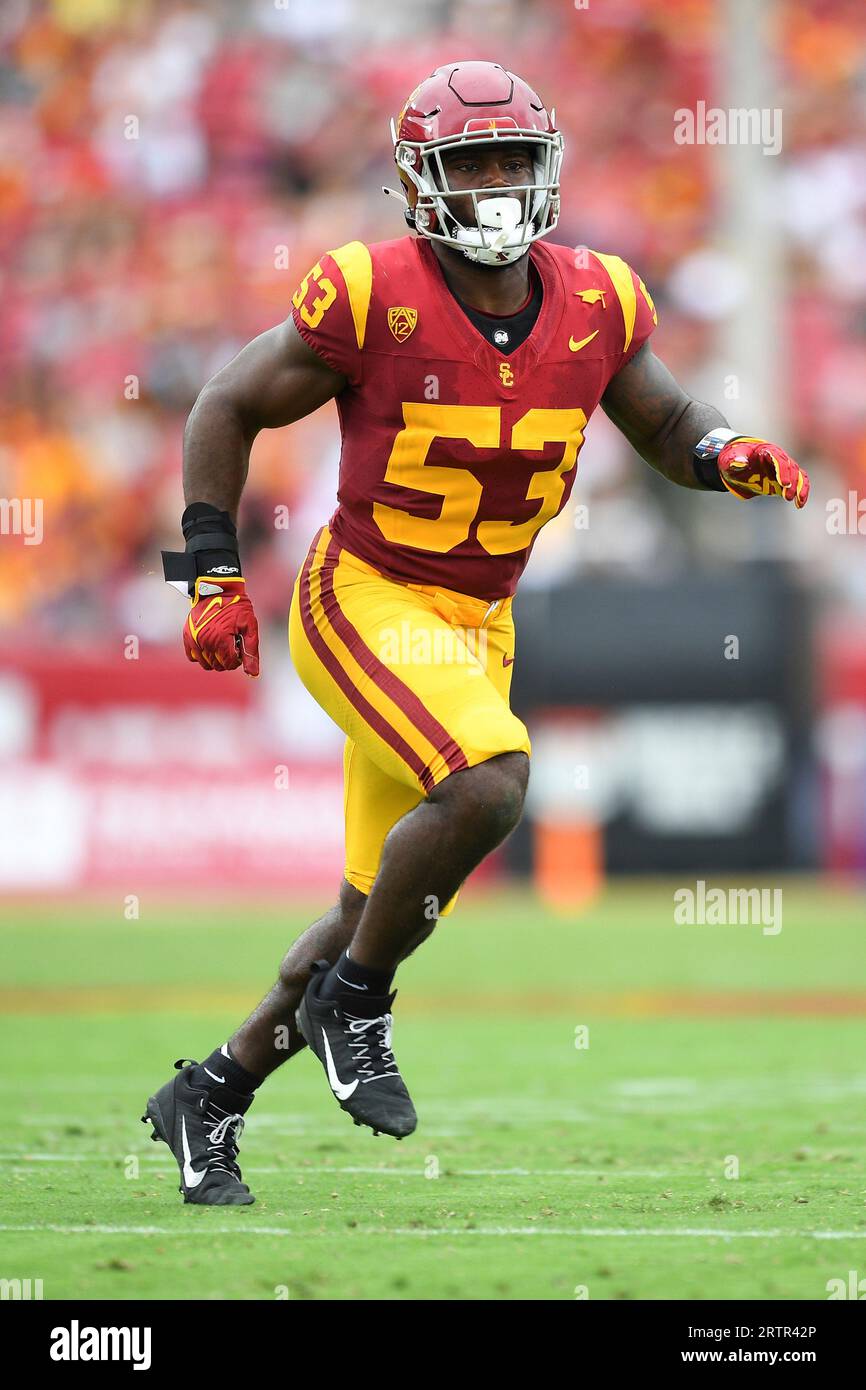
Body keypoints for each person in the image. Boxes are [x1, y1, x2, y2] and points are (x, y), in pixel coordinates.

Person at [144, 61, 809, 1205]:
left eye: (513, 160)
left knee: (374, 907)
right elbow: (226, 403)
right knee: (493, 778)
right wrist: (206, 575)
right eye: (471, 163)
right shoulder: (369, 290)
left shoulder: (598, 297)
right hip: (364, 593)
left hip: (474, 617)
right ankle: (358, 1009)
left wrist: (718, 455)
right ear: (420, 181)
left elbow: (659, 415)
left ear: (548, 168)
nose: (497, 184)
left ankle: (209, 1094)